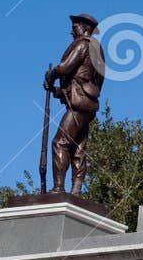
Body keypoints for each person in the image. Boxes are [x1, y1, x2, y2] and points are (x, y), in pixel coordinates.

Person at [44, 13, 103, 194]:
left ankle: (59, 187)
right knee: (78, 147)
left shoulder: (84, 44)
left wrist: (51, 75)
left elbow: (65, 67)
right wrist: (57, 91)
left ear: (85, 29)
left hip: (78, 104)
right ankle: (76, 189)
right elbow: (87, 80)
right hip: (87, 104)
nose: (71, 32)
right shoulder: (97, 51)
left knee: (59, 143)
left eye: (74, 27)